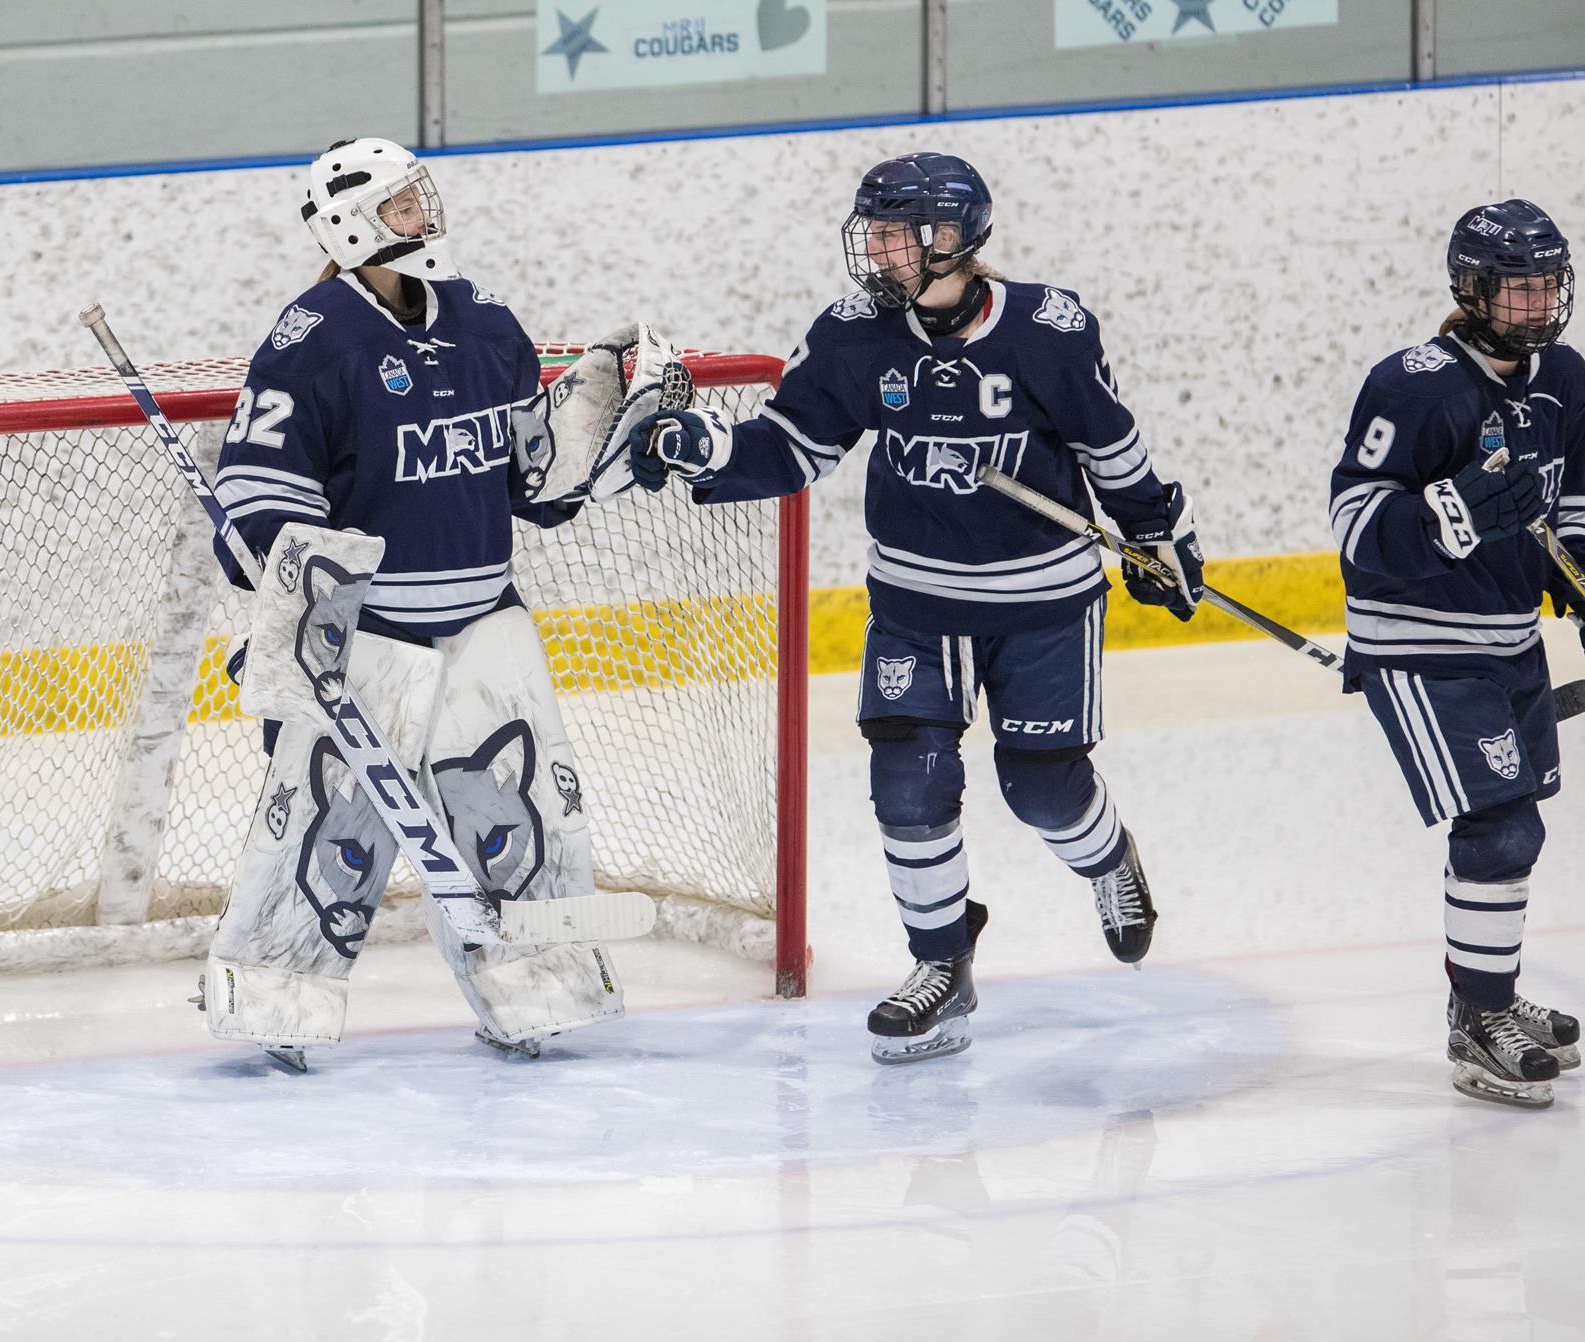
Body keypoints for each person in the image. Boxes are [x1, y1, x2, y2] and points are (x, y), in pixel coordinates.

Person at [623, 151, 1206, 1063]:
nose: (878, 250)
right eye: (876, 232)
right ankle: (942, 964)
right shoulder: (853, 334)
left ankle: (1110, 862)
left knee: (1042, 786)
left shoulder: (1047, 331)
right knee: (909, 786)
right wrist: (708, 448)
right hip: (915, 605)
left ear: (954, 238)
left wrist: (1157, 534)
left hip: (1042, 605)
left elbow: (1111, 445)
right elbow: (793, 446)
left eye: (899, 233)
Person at [199, 138, 623, 1069]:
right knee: (330, 827)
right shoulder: (313, 340)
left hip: (486, 622)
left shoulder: (486, 322)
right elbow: (259, 494)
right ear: (351, 224)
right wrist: (291, 589)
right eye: (399, 204)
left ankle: (536, 990)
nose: (422, 214)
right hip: (368, 637)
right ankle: (275, 1000)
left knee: (523, 824)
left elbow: (533, 487)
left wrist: (593, 442)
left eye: (418, 197)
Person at [1328, 198, 1583, 1108]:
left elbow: (1573, 501)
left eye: (1547, 284)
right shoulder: (1415, 385)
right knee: (1500, 826)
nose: (1537, 302)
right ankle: (1481, 1015)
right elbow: (1354, 523)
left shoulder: (1566, 377)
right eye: (1517, 287)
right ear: (1471, 289)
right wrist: (1451, 514)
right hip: (1420, 641)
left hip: (1510, 640)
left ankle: (1485, 995)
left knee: (1517, 827)